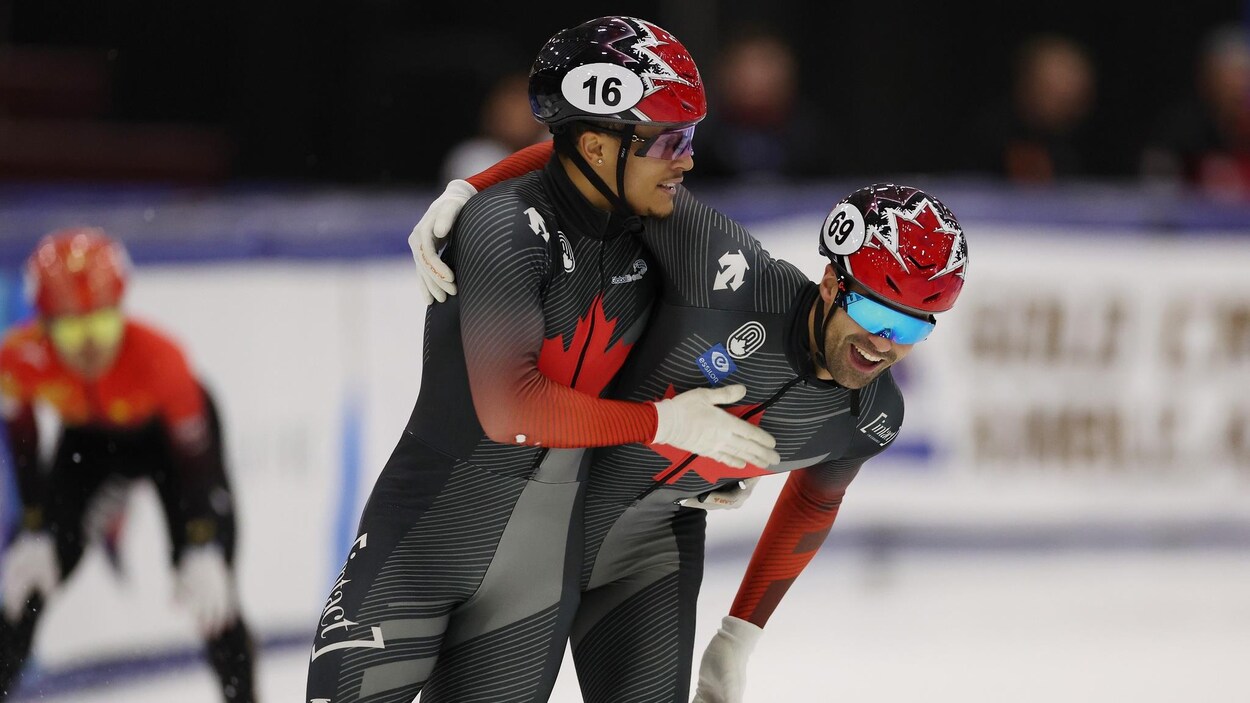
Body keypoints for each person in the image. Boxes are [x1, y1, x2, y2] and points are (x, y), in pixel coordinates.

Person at [306, 16, 779, 703]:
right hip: (424, 546)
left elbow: (789, 317)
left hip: (536, 571)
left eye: (692, 137)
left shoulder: (657, 218)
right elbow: (511, 408)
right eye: (670, 140)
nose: (688, 160)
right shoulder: (504, 226)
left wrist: (725, 447)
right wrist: (665, 425)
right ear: (595, 143)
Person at [414, 146, 968, 701]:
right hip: (531, 524)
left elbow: (814, 502)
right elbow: (599, 156)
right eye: (875, 314)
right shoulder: (730, 270)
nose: (883, 344)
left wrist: (738, 637)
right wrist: (472, 189)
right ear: (830, 282)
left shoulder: (871, 415)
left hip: (644, 551)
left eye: (912, 328)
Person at [0, 228, 256, 702]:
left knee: (212, 592)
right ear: (44, 324)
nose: (89, 348)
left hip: (171, 451)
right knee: (29, 583)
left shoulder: (162, 357)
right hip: (88, 445)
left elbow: (197, 465)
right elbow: (23, 442)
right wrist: (34, 524)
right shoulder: (19, 357)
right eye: (72, 330)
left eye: (101, 326)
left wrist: (204, 539)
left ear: (122, 311)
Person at [963, 34, 1097, 183]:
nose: (1066, 100)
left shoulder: (1083, 144)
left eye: (1073, 95)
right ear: (1027, 84)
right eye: (1052, 91)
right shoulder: (991, 138)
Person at [1140, 24, 1250, 199]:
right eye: (1232, 74)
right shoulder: (1179, 129)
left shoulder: (1243, 132)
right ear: (1208, 77)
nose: (1240, 85)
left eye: (1245, 75)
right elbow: (1158, 191)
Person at [439, 72, 551, 183]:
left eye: (525, 107)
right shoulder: (472, 157)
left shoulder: (556, 145)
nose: (518, 115)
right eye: (509, 107)